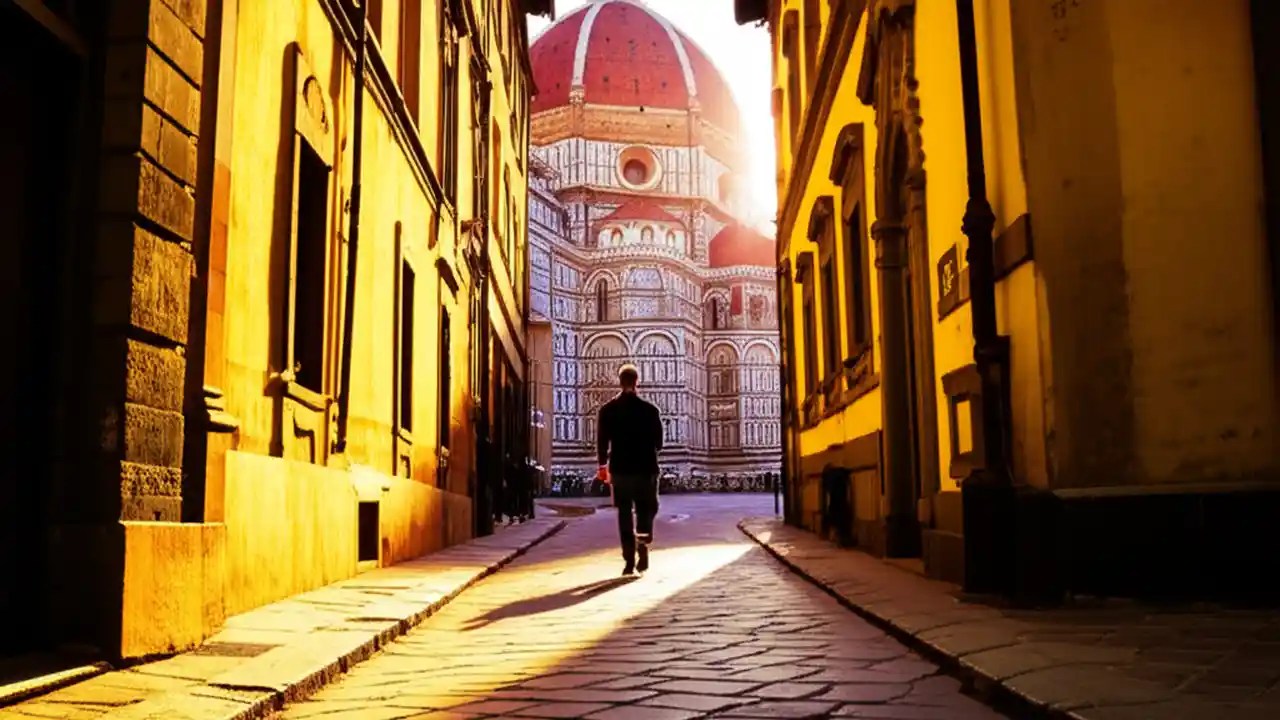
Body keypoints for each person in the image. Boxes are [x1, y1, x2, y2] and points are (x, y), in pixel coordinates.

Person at [596, 363, 663, 576]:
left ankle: (628, 559)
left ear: (620, 381)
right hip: (645, 470)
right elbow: (659, 443)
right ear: (637, 382)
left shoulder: (607, 411)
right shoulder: (651, 411)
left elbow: (601, 443)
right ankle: (643, 544)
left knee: (624, 514)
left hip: (621, 471)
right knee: (647, 509)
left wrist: (602, 467)